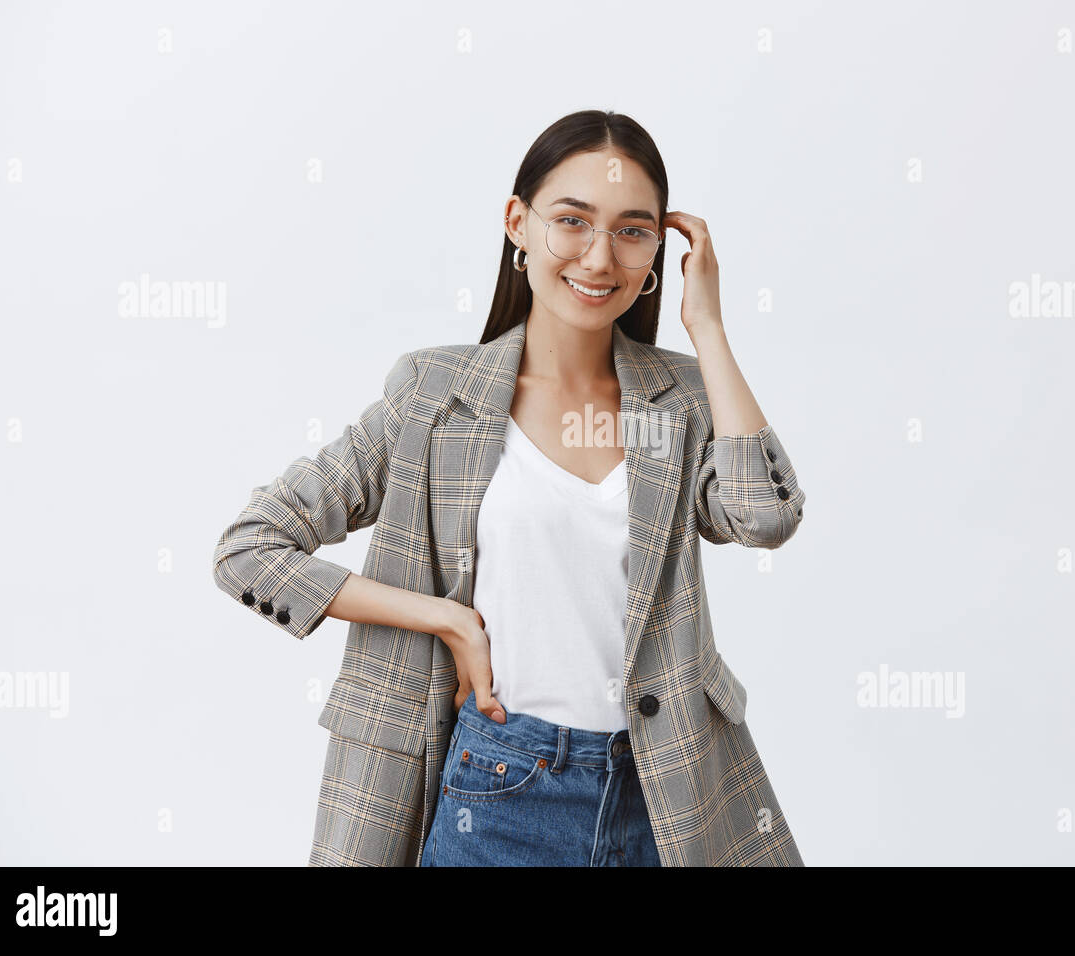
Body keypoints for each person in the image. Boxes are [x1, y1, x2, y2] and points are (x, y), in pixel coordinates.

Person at [213, 109, 807, 866]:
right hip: (497, 795)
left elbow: (764, 518)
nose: (599, 257)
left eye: (632, 230)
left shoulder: (682, 402)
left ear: (660, 248)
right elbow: (249, 548)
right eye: (572, 221)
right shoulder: (433, 394)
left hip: (661, 800)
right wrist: (445, 620)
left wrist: (710, 331)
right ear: (517, 224)